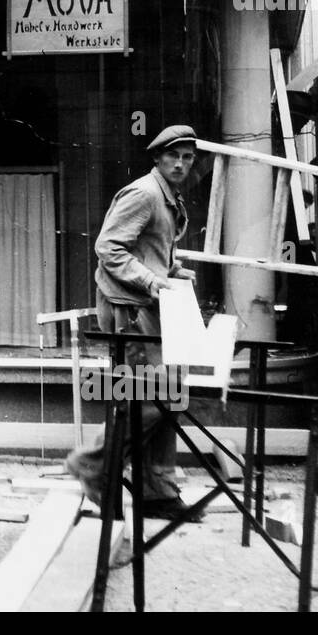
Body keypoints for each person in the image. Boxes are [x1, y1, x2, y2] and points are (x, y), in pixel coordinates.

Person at [65, 124, 200, 521]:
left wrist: (171, 269)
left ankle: (155, 490)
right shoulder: (144, 193)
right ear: (157, 158)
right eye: (172, 156)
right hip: (130, 309)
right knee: (152, 397)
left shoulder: (168, 196)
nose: (180, 163)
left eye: (187, 157)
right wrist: (152, 280)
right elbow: (108, 247)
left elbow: (146, 248)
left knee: (167, 394)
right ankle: (94, 463)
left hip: (152, 306)